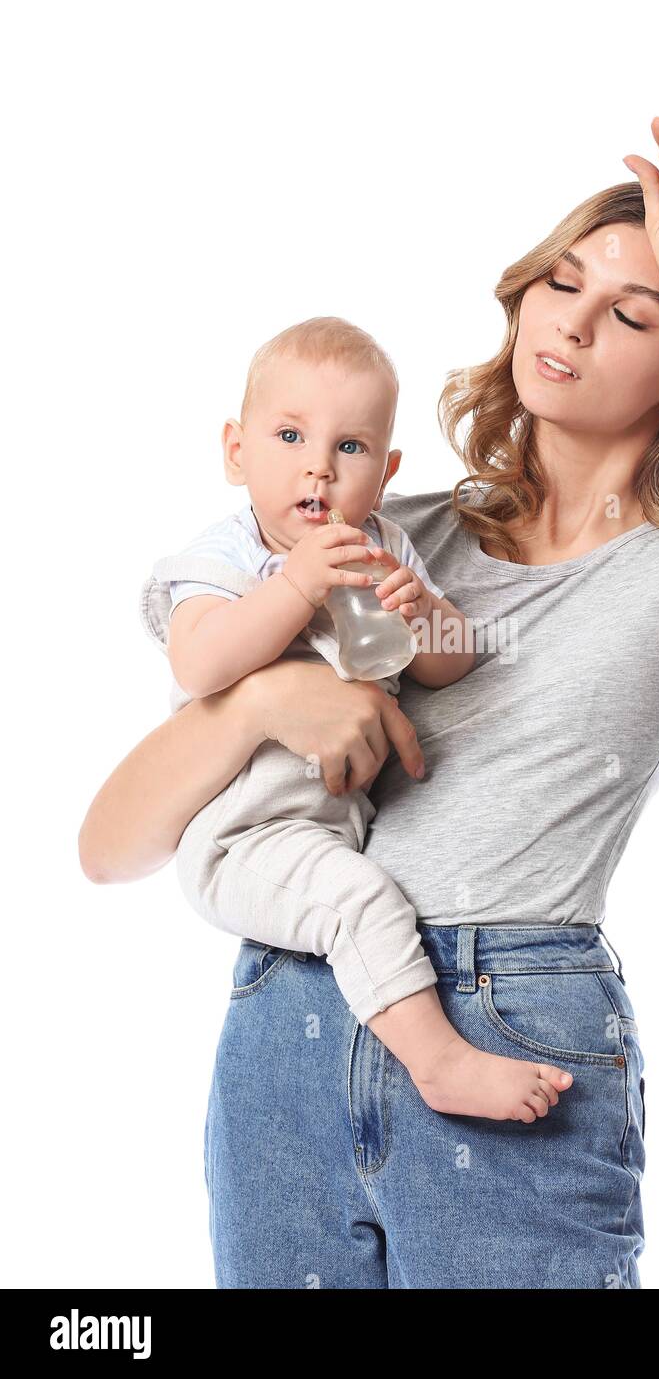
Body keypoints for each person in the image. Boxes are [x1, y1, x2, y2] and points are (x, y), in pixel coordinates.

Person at [79, 118, 659, 1289]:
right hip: (291, 1007)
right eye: (560, 283)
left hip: (510, 1017)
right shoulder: (379, 533)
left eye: (632, 312)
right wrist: (267, 697)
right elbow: (110, 846)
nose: (572, 321)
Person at [142, 314, 576, 1122]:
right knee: (362, 905)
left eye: (349, 448)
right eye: (289, 436)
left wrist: (425, 615)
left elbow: (449, 665)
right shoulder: (229, 556)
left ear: (385, 470)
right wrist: (295, 586)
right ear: (236, 451)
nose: (317, 466)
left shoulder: (381, 547)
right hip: (244, 831)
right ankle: (438, 1063)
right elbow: (200, 665)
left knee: (368, 892)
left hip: (336, 822)